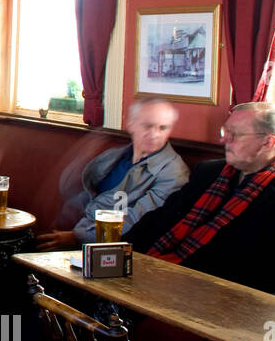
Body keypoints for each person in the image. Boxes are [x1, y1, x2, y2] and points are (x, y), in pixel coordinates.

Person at [126, 102, 275, 307]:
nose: (223, 139)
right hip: (163, 268)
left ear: (268, 142)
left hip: (224, 298)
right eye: (224, 131)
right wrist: (121, 253)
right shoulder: (208, 172)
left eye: (234, 135)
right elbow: (161, 219)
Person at [34, 98, 188, 251]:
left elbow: (138, 221)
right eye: (148, 126)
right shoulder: (114, 156)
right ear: (131, 125)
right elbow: (76, 194)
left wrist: (77, 237)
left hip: (110, 248)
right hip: (74, 231)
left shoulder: (173, 173)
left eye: (163, 128)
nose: (155, 134)